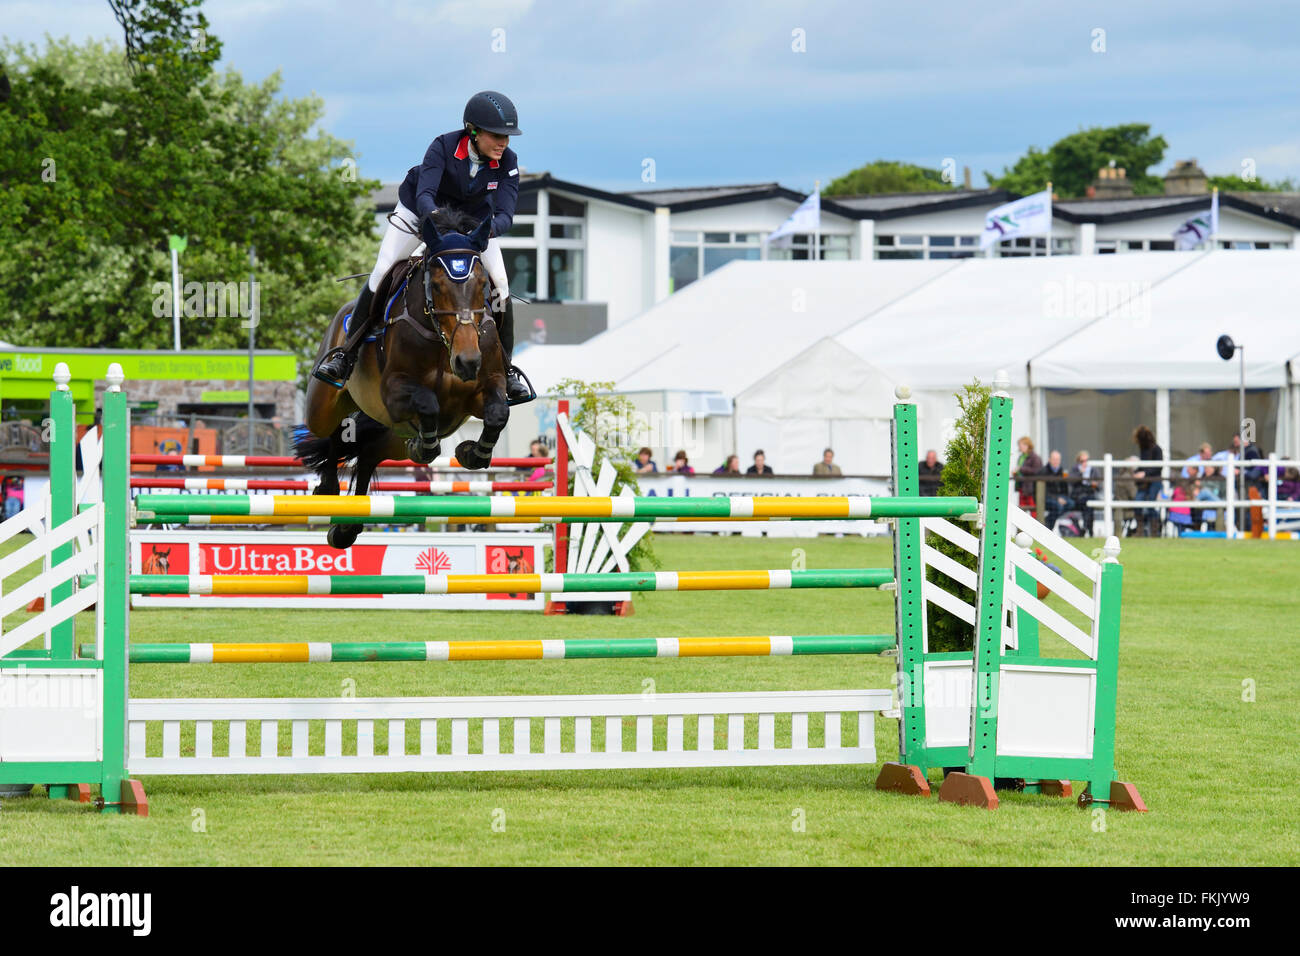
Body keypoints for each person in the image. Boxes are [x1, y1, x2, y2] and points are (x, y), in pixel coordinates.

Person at [314, 91, 531, 404]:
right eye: (497, 136)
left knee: (501, 284)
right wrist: (438, 225)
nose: (503, 143)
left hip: (471, 224)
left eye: (507, 137)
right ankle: (346, 355)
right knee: (385, 266)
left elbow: (507, 214)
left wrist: (485, 231)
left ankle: (507, 370)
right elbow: (426, 195)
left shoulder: (508, 162)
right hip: (421, 213)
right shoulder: (442, 147)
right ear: (473, 131)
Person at [1131, 425, 1164, 536]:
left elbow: (1158, 467)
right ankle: (1139, 531)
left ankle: (1154, 532)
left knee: (1151, 505)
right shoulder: (1143, 450)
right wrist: (1137, 473)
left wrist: (1144, 473)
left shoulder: (1157, 449)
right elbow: (1143, 465)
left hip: (1154, 481)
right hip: (1144, 483)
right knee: (1137, 503)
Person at [1041, 450, 1071, 532]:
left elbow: (1065, 489)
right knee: (1058, 507)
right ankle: (1048, 528)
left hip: (1059, 497)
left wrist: (1064, 498)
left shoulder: (1061, 471)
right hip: (1047, 498)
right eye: (1054, 459)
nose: (1056, 461)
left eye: (1057, 459)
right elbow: (1044, 491)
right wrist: (1057, 498)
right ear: (1049, 460)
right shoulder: (1044, 471)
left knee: (1071, 503)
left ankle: (1047, 522)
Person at [1070, 450, 1099, 534]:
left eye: (1087, 460)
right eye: (1082, 461)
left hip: (1090, 493)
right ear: (1078, 461)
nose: (1085, 463)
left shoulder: (1094, 470)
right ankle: (1088, 529)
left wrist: (1095, 484)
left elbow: (1100, 485)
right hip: (1078, 495)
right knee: (1088, 505)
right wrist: (1080, 473)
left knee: (1089, 504)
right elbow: (1071, 482)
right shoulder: (1075, 469)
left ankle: (1086, 528)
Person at [1013, 437, 1042, 510]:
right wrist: (1016, 473)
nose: (1020, 447)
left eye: (1022, 445)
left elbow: (1037, 471)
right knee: (1021, 509)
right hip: (1022, 486)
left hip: (1031, 488)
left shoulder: (1035, 457)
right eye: (1019, 445)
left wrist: (1021, 469)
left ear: (1028, 445)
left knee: (1033, 509)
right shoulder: (1021, 457)